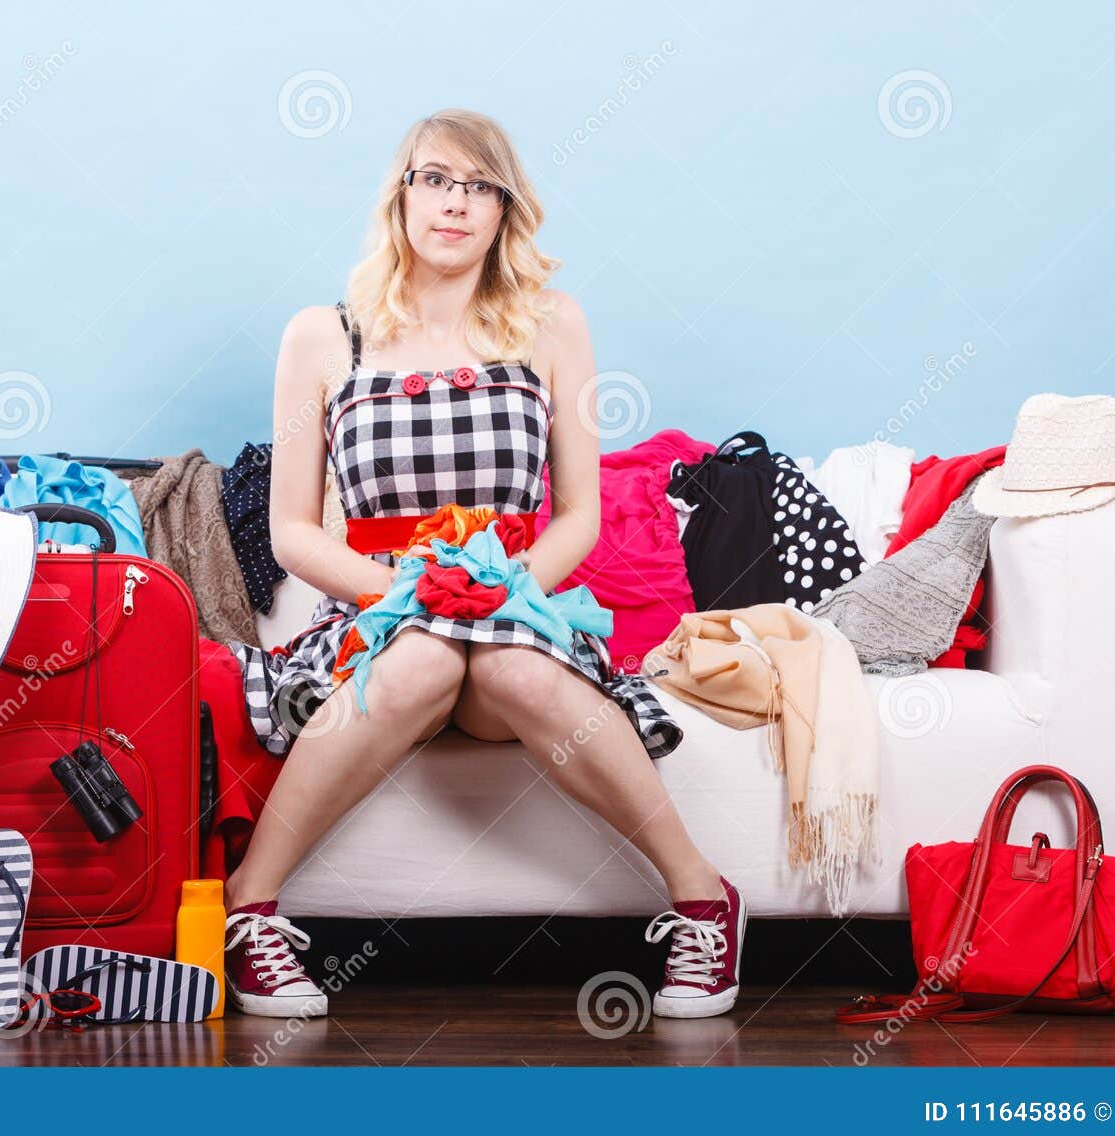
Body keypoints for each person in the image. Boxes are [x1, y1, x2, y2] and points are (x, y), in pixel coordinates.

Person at [223, 109, 744, 1021]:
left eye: (479, 187)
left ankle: (704, 900)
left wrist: (507, 588)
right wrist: (405, 593)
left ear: (505, 210)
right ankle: (249, 909)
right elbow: (293, 533)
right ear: (401, 194)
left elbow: (578, 514)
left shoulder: (551, 325)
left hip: (512, 602)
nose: (455, 204)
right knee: (424, 652)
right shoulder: (323, 336)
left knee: (500, 657)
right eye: (436, 180)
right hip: (379, 613)